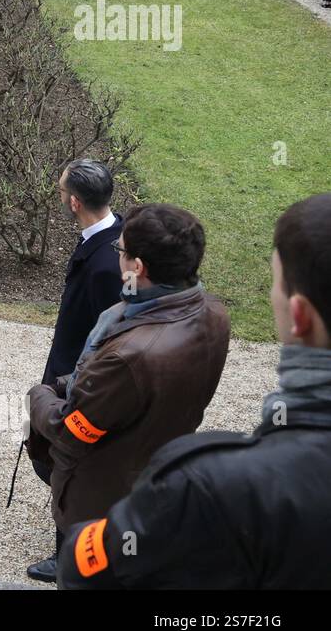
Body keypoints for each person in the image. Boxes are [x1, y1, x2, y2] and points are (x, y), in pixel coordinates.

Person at [58, 193, 331, 589]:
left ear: (300, 316)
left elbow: (82, 568)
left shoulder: (210, 484)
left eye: (276, 283)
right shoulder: (214, 314)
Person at [26, 203, 231, 583]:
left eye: (120, 250)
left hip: (102, 490)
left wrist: (39, 396)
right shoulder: (214, 314)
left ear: (138, 268)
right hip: (158, 465)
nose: (116, 256)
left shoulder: (129, 357)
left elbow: (73, 430)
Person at [39, 160, 124, 391]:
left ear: (75, 202)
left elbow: (110, 340)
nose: (59, 196)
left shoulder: (106, 267)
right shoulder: (113, 232)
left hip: (74, 383)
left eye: (61, 191)